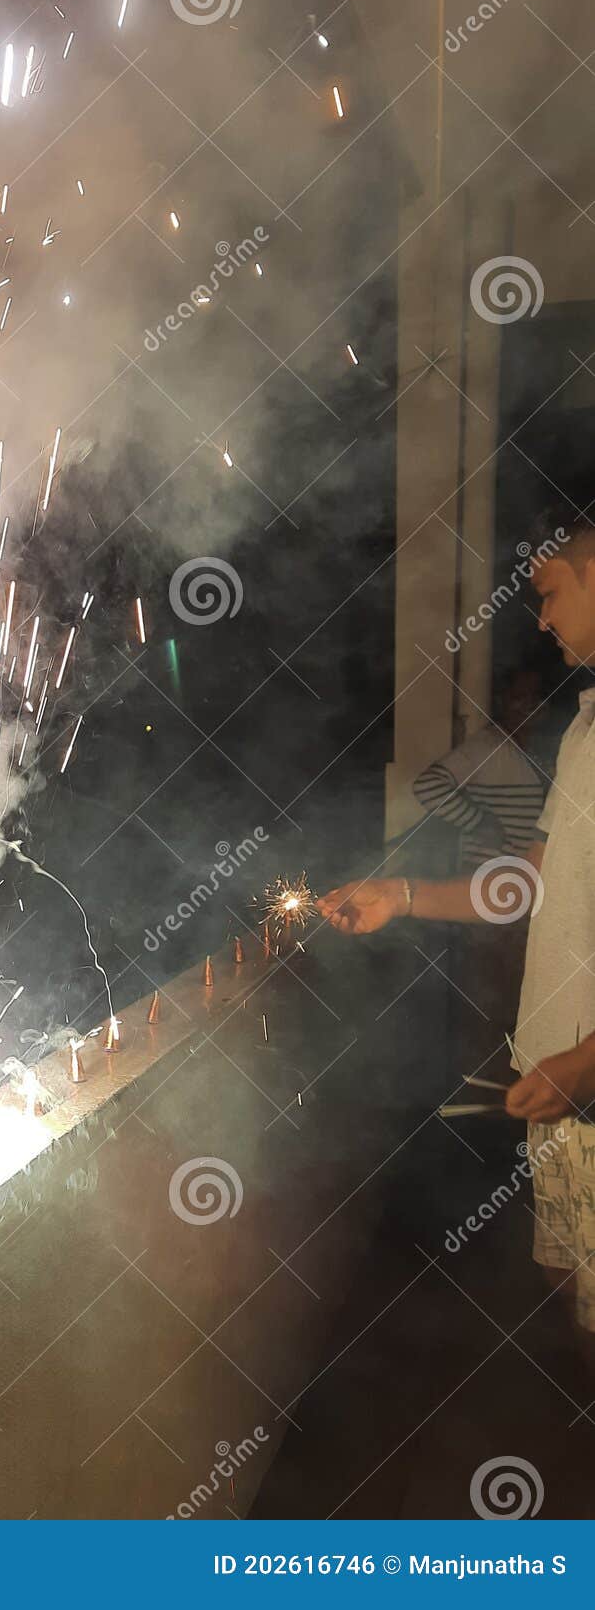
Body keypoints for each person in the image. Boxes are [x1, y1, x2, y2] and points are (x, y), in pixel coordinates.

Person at [318, 513, 595, 1362]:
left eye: (550, 593)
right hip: (557, 1078)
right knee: (567, 1279)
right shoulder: (584, 728)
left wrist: (587, 1064)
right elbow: (526, 883)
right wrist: (400, 895)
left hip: (582, 1074)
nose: (540, 619)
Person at [412, 668, 546, 868]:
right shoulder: (487, 745)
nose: (529, 704)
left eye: (536, 696)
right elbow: (427, 786)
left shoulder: (542, 749)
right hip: (486, 876)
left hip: (524, 876)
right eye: (519, 697)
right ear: (502, 701)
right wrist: (479, 823)